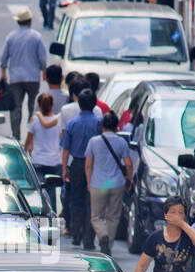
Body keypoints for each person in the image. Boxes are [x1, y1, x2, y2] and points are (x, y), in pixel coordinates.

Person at [85, 111, 133, 255]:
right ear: (116, 126)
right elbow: (129, 164)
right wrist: (128, 179)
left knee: (96, 216)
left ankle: (103, 236)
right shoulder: (122, 142)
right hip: (116, 183)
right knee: (113, 216)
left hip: (98, 183)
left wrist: (88, 182)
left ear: (102, 126)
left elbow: (88, 165)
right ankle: (108, 246)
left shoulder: (94, 141)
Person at [0, 7, 47, 139]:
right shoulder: (36, 37)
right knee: (33, 107)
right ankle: (31, 136)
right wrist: (44, 71)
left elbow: (3, 59)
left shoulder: (11, 37)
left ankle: (16, 136)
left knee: (16, 107)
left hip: (15, 78)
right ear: (30, 21)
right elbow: (42, 58)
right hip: (32, 77)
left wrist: (3, 73)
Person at [61, 87, 99, 249]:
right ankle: (88, 237)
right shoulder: (99, 123)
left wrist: (64, 168)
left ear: (79, 104)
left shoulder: (72, 124)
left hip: (76, 164)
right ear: (94, 104)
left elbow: (65, 149)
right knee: (91, 201)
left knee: (75, 200)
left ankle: (76, 233)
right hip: (94, 165)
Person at [24, 93, 61, 213]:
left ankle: (40, 216)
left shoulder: (34, 120)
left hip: (38, 160)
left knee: (40, 191)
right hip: (53, 161)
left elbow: (28, 141)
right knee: (51, 191)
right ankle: (53, 216)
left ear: (38, 105)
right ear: (52, 105)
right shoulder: (58, 121)